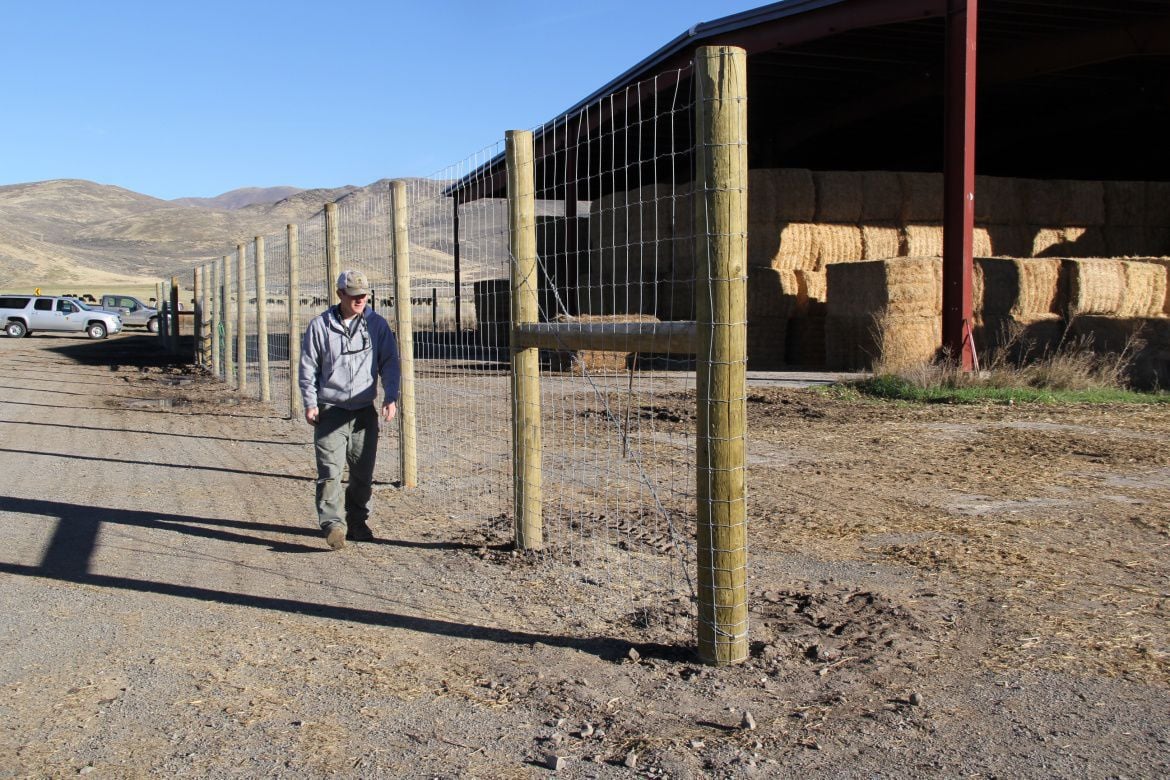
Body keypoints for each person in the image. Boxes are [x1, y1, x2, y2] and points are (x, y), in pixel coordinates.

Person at [298, 270, 401, 549]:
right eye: (354, 295)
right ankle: (333, 525)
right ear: (340, 293)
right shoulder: (320, 326)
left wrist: (391, 397)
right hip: (330, 410)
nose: (360, 300)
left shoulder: (377, 325)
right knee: (330, 470)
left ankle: (357, 521)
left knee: (363, 473)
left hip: (364, 412)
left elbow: (390, 362)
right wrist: (310, 402)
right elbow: (308, 367)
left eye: (364, 295)